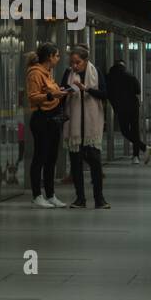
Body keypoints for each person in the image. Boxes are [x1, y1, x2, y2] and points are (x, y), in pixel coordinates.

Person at [62, 44, 110, 209]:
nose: (74, 66)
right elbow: (62, 92)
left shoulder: (95, 73)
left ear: (85, 61)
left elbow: (104, 94)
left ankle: (99, 199)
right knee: (76, 165)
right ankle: (80, 199)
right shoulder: (68, 73)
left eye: (78, 62)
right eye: (72, 62)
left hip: (91, 127)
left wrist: (87, 89)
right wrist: (65, 92)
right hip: (74, 127)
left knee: (95, 164)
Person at [26, 43, 70, 208]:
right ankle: (37, 195)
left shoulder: (48, 73)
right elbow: (33, 97)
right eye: (57, 55)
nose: (58, 58)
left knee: (51, 158)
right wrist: (53, 95)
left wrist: (60, 92)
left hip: (52, 118)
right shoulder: (35, 73)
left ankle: (51, 194)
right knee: (40, 157)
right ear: (50, 57)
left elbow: (50, 92)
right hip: (41, 119)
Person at [107, 59, 149, 163]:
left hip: (120, 108)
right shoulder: (130, 76)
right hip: (133, 106)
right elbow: (138, 90)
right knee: (135, 130)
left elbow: (108, 93)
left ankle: (144, 148)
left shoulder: (109, 77)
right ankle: (136, 156)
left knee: (125, 131)